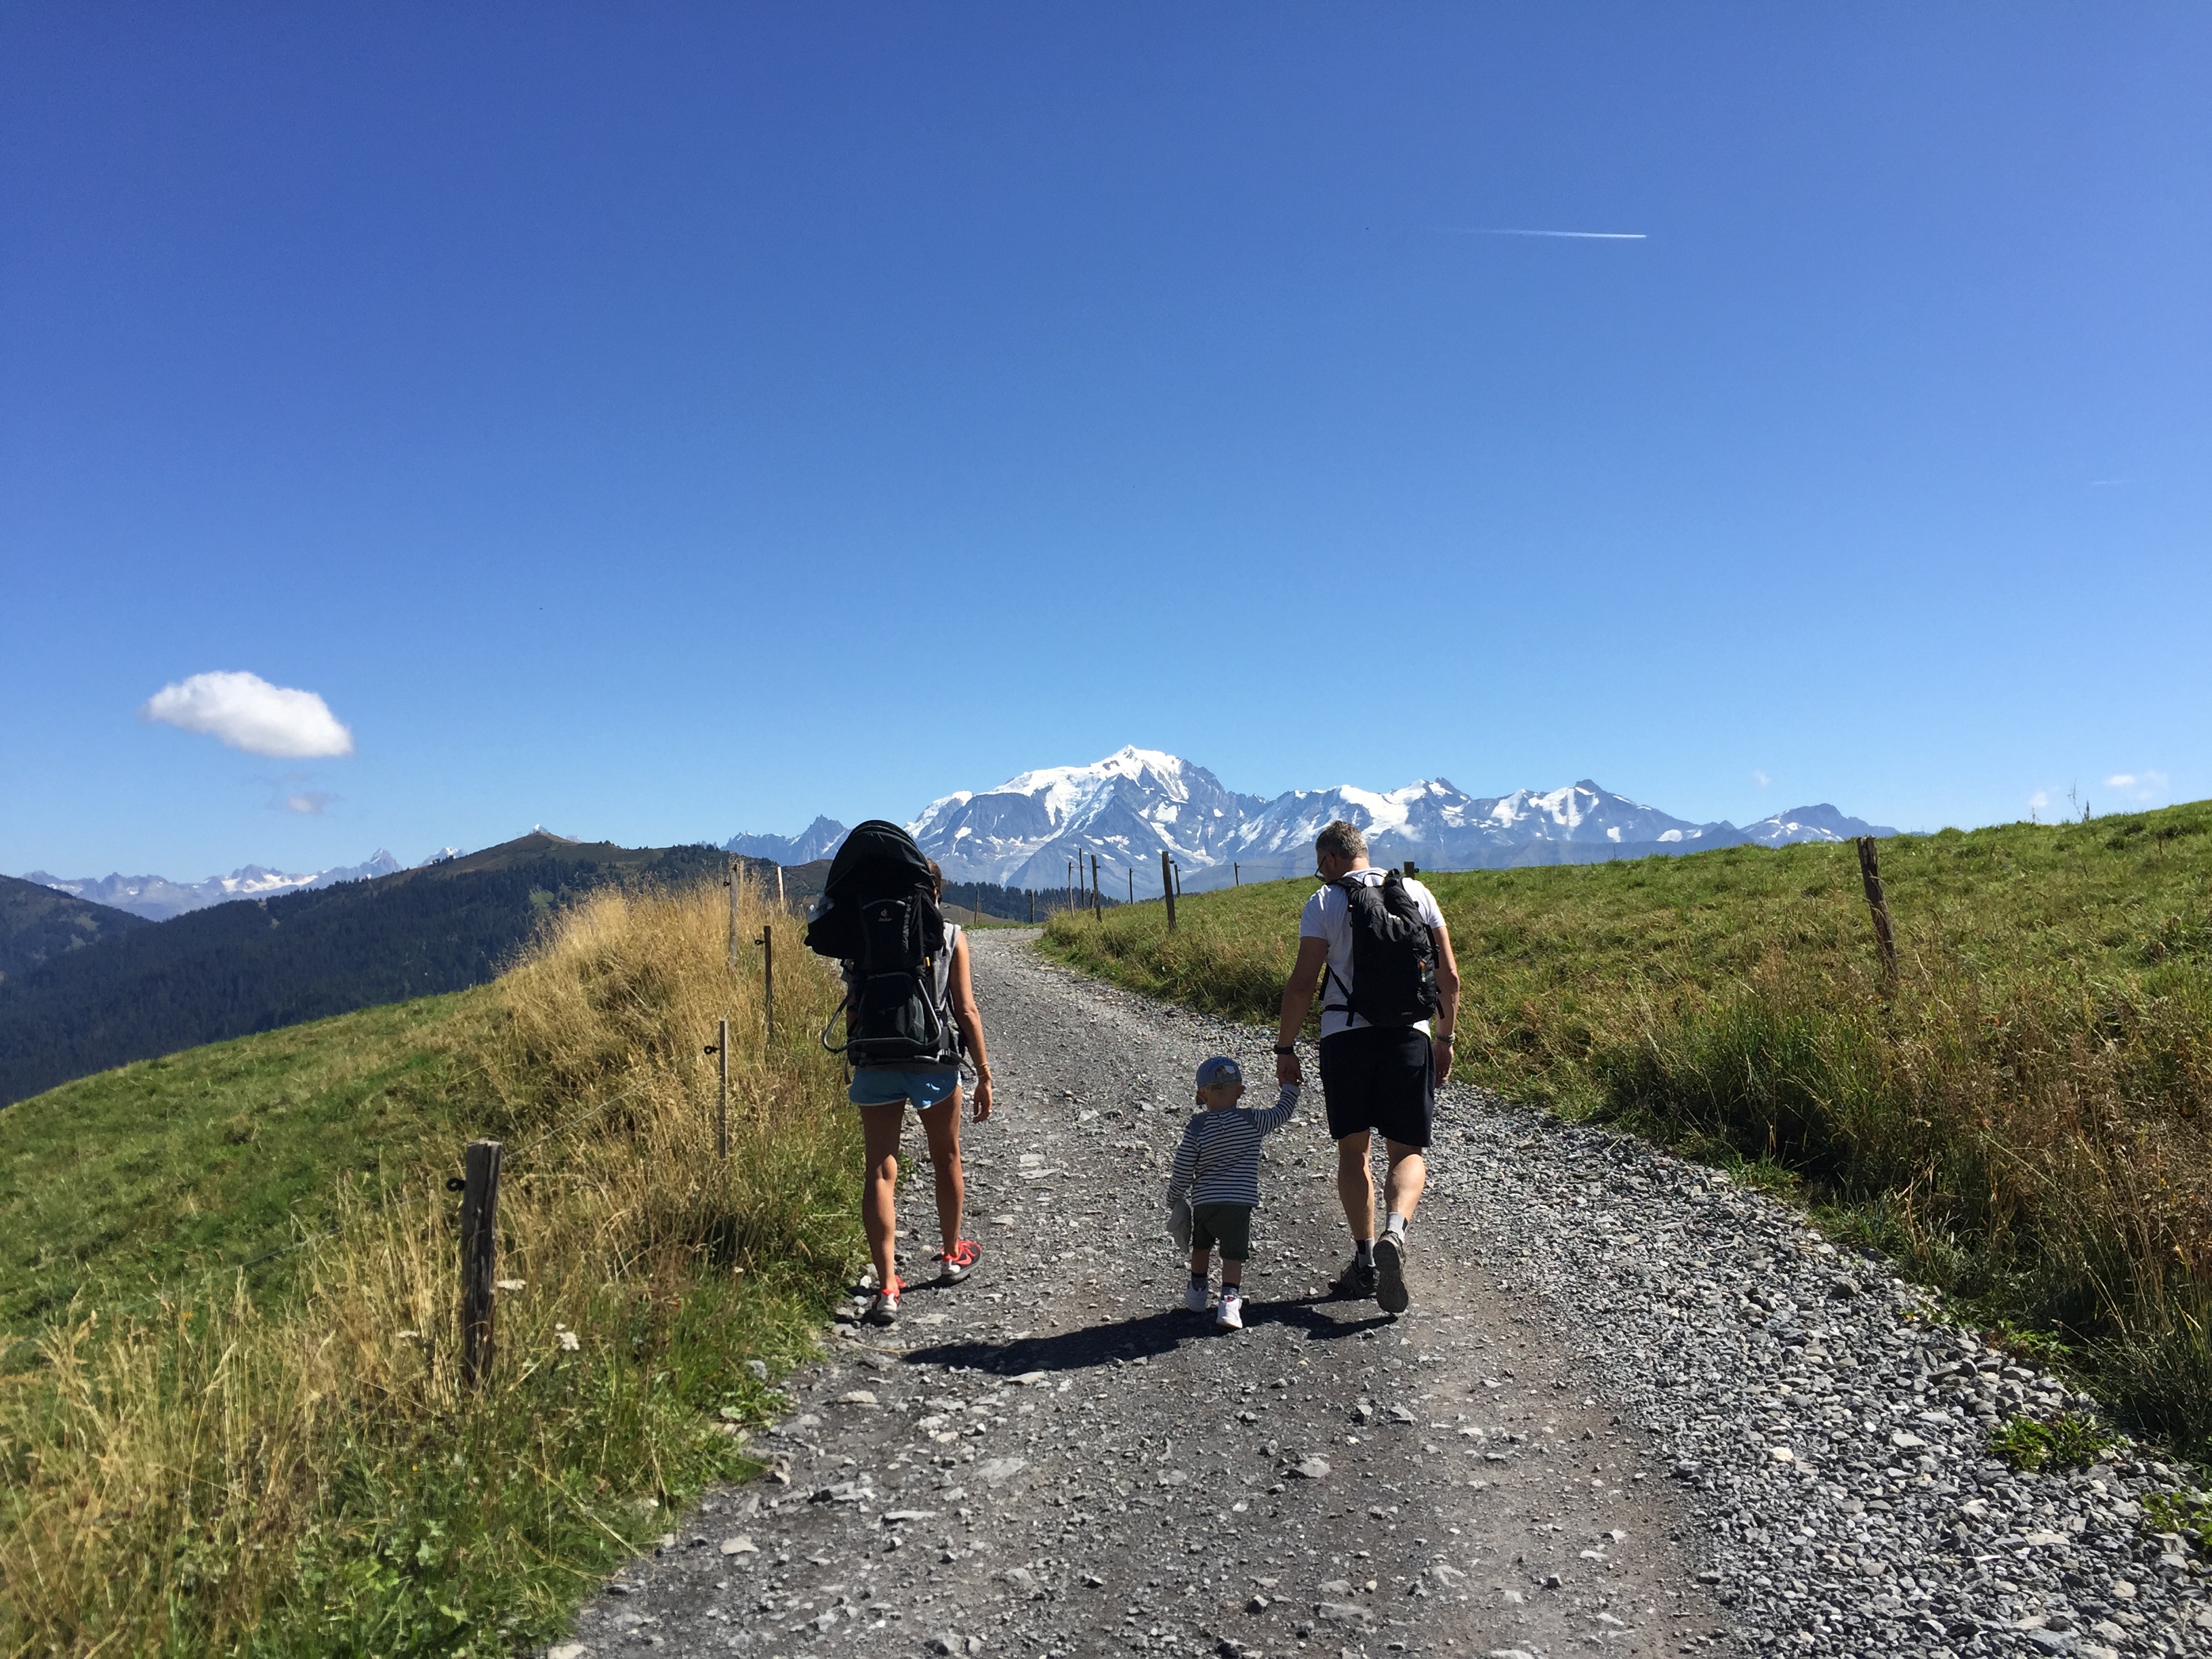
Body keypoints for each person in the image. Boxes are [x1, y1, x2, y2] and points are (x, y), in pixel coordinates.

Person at [1274, 821, 1459, 1314]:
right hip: (1411, 1036)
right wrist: (1445, 1038)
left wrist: (1285, 1048)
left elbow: (1300, 984)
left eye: (1320, 866)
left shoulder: (1325, 902)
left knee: (1354, 1152)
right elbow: (1450, 977)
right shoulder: (1418, 893)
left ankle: (1364, 1261)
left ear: (1331, 859)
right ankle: (1395, 1232)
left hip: (1346, 1038)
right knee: (1407, 1151)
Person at [849, 857, 994, 1326]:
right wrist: (985, 1073)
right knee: (946, 1156)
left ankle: (888, 1287)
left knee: (880, 1169)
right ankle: (952, 1256)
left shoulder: (867, 930)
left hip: (876, 1057)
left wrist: (858, 1057)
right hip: (933, 1058)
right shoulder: (951, 935)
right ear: (936, 891)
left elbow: (854, 1004)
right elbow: (966, 1010)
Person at [1164, 1056, 1302, 1330]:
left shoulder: (1196, 1128)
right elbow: (1282, 1112)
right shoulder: (1253, 1120)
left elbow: (1182, 1169)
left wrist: (1174, 1197)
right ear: (1240, 1091)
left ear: (1201, 1095)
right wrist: (1290, 1087)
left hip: (1205, 1201)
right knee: (1232, 1255)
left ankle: (1197, 1292)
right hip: (1239, 1203)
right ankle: (1228, 1302)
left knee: (1201, 1246)